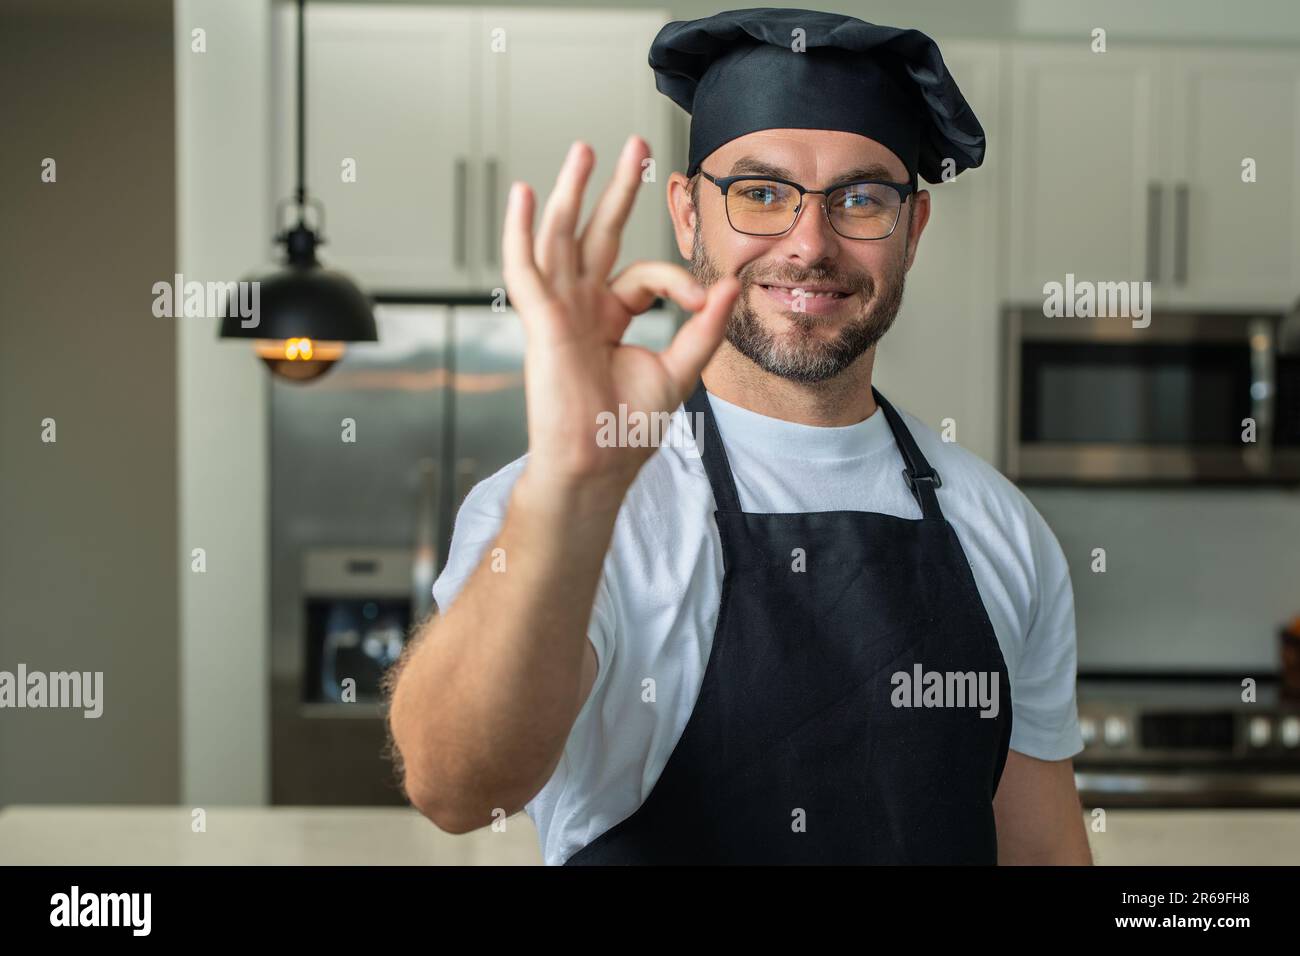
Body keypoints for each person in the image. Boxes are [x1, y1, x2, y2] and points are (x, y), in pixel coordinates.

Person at [388, 8, 1092, 865]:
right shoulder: (579, 507)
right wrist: (571, 489)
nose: (809, 245)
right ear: (688, 215)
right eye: (762, 193)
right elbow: (456, 787)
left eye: (862, 199)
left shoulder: (1003, 527)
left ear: (914, 229)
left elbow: (1042, 854)